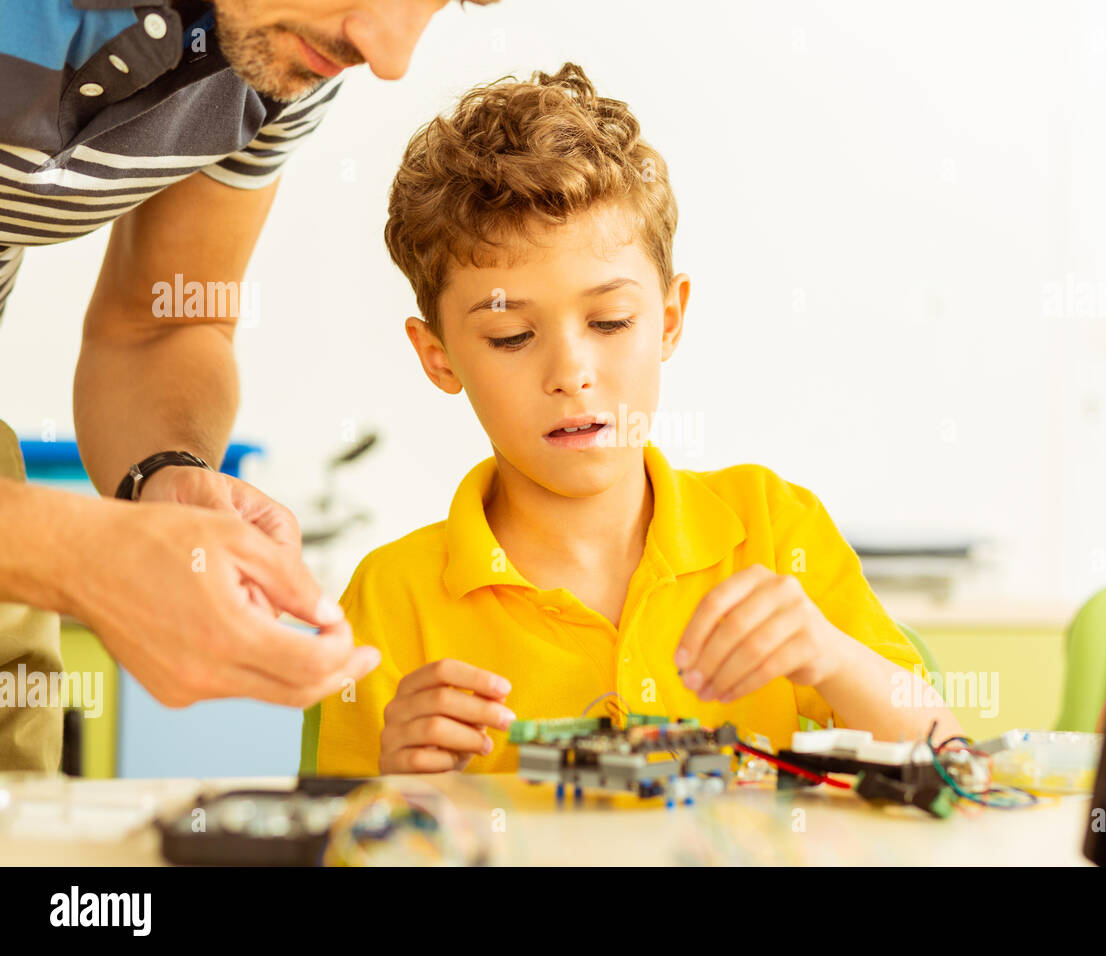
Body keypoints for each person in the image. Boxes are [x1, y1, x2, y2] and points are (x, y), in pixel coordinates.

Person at [303, 63, 963, 776]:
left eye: (611, 321)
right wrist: (395, 782)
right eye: (511, 338)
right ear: (439, 357)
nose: (570, 374)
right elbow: (339, 837)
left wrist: (832, 660)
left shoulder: (774, 530)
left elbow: (953, 764)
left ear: (669, 321)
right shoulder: (389, 598)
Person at [0, 0, 499, 771]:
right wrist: (73, 555)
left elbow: (162, 323)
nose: (391, 52)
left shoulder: (281, 50)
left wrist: (166, 477)